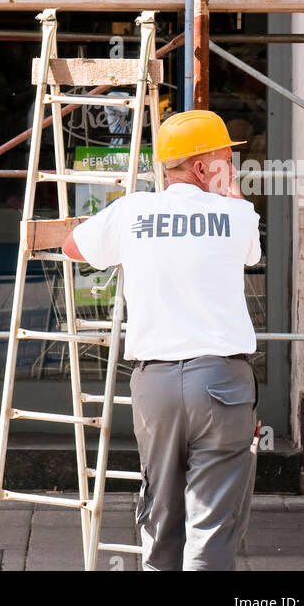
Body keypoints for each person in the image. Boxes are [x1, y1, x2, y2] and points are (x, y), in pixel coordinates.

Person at [62, 110, 261, 572]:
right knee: (212, 520)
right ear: (203, 167)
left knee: (160, 509)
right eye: (227, 158)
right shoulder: (237, 213)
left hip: (155, 384)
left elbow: (74, 248)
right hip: (222, 382)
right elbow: (250, 252)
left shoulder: (132, 211)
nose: (233, 166)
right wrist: (228, 191)